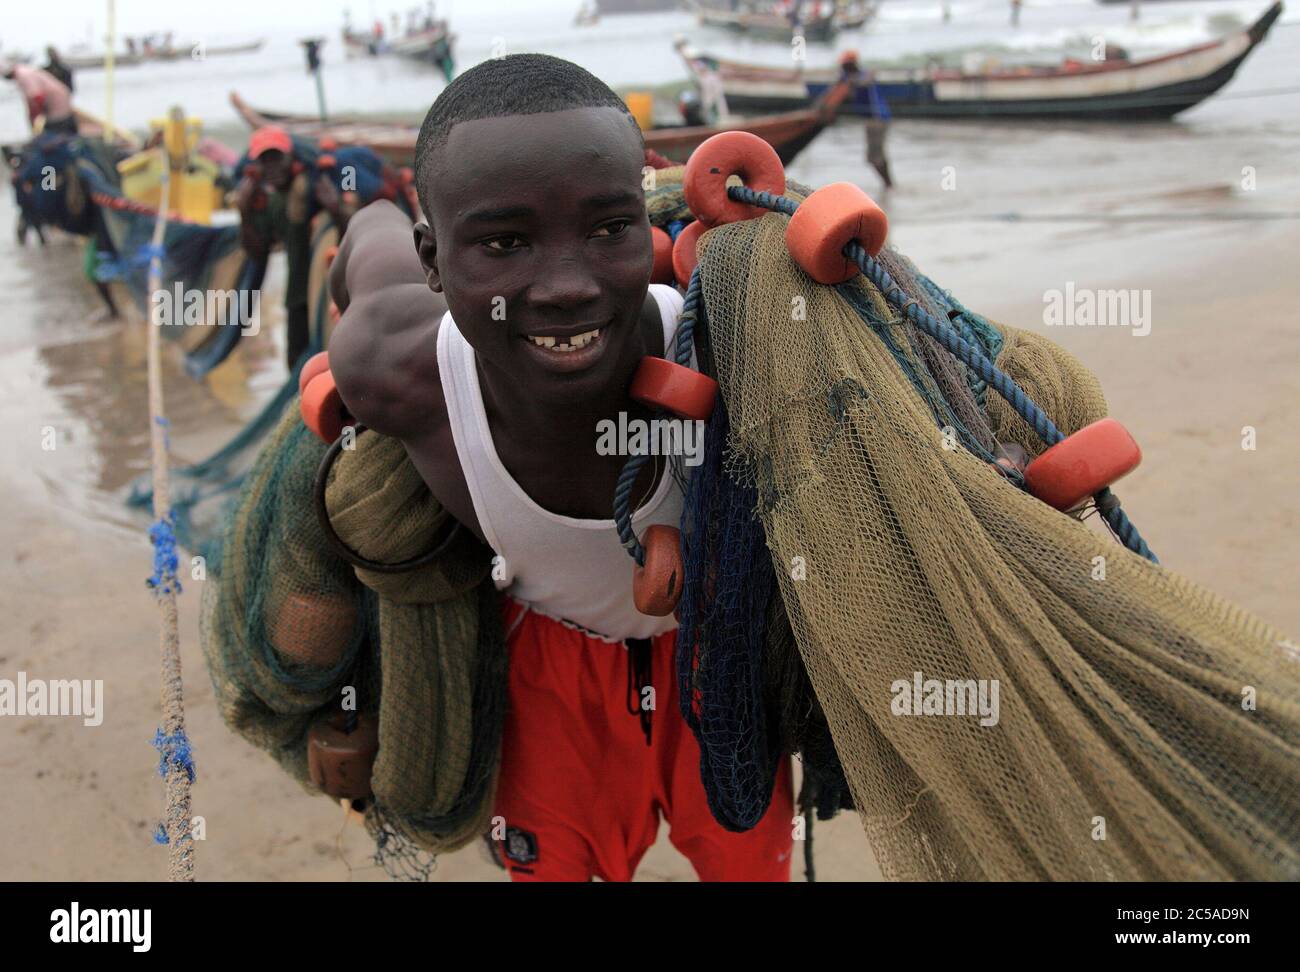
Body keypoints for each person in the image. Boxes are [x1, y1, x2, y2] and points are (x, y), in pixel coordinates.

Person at [325, 54, 795, 881]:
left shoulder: (736, 351)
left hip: (717, 652)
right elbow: (367, 244)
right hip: (546, 674)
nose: (569, 286)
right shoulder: (398, 370)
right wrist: (359, 219)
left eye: (609, 228)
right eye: (505, 243)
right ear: (433, 262)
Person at [2, 62, 76, 134]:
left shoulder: (24, 75)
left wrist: (35, 115)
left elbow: (37, 96)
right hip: (58, 98)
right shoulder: (24, 71)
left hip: (56, 102)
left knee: (57, 125)